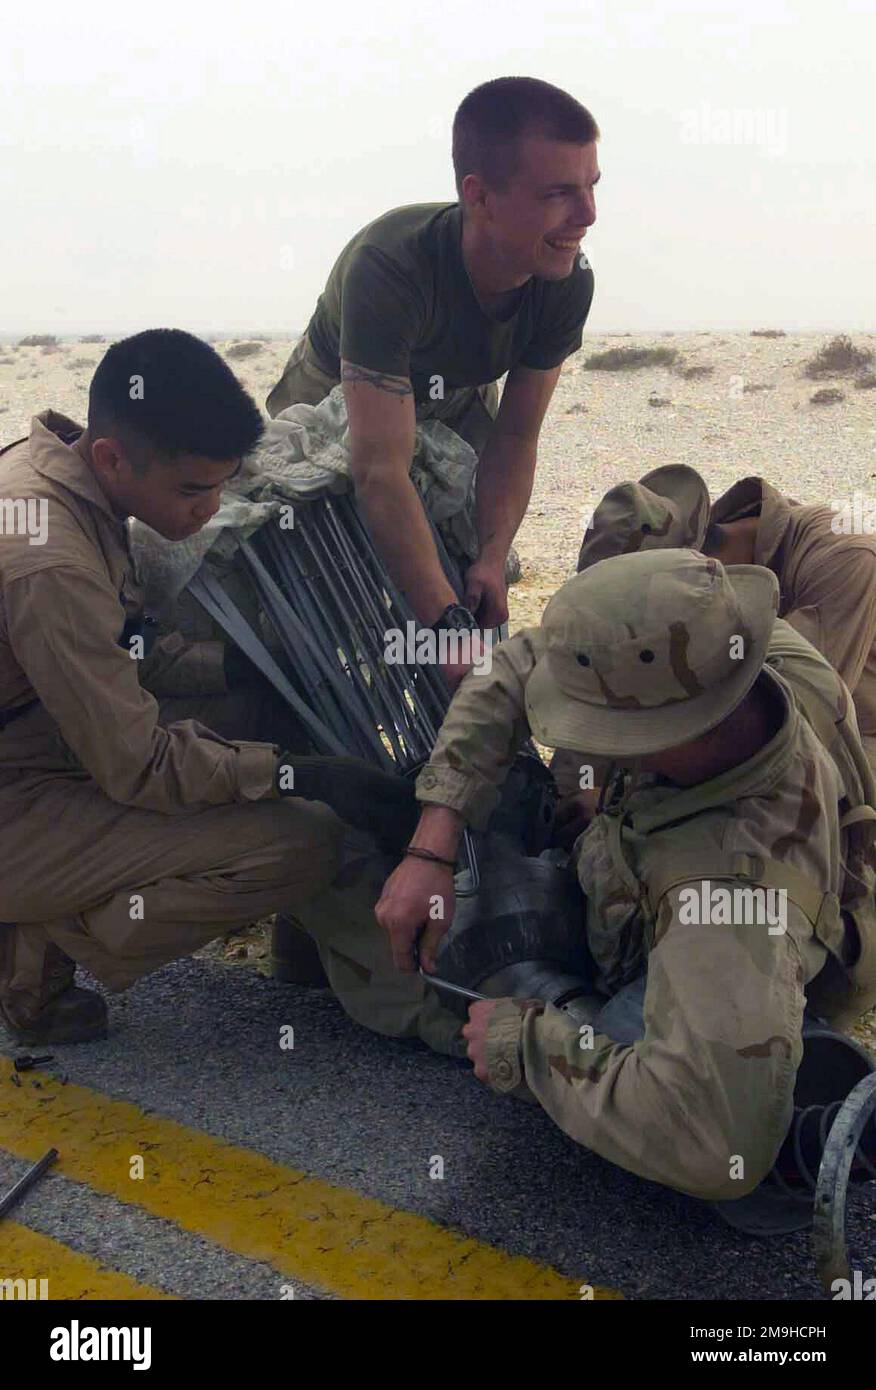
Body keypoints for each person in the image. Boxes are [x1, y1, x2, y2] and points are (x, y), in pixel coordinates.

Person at [291, 549, 876, 1201]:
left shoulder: (731, 898)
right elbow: (521, 664)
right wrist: (435, 838)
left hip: (729, 969)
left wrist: (529, 1043)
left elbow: (715, 1143)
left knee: (446, 984)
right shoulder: (727, 655)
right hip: (637, 879)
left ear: (661, 733)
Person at [0, 329, 420, 1045]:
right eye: (195, 489)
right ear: (111, 456)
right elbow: (137, 766)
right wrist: (299, 775)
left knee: (258, 709)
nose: (210, 507)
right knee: (300, 843)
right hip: (22, 784)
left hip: (43, 731)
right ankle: (40, 941)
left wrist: (238, 667)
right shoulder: (51, 560)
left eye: (222, 483)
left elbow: (122, 653)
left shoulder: (62, 478)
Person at [266, 76, 599, 688]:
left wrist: (494, 558)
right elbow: (378, 470)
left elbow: (516, 439)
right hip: (335, 395)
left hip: (460, 395)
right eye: (558, 194)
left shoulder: (566, 280)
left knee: (473, 566)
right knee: (316, 565)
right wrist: (442, 626)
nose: (588, 216)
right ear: (480, 196)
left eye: (591, 188)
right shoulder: (389, 266)